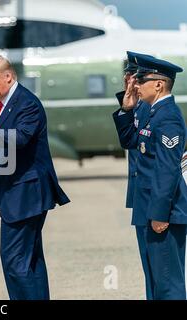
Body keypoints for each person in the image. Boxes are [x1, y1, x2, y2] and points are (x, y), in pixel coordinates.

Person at [0, 55, 70, 300]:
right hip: (15, 194)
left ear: (8, 76)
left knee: (15, 262)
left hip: (25, 194)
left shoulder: (26, 103)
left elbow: (20, 139)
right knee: (30, 261)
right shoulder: (3, 105)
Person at [114, 54, 187, 299]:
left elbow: (167, 172)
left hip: (163, 211)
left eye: (142, 80)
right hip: (148, 206)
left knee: (168, 284)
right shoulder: (153, 112)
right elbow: (130, 141)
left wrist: (159, 214)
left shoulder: (168, 118)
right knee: (155, 281)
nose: (136, 84)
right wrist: (126, 109)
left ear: (159, 84)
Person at [112, 51, 154, 299]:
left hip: (152, 196)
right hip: (140, 195)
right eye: (126, 74)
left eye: (134, 75)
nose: (128, 79)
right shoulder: (136, 108)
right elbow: (127, 142)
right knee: (149, 265)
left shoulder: (151, 109)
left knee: (159, 267)